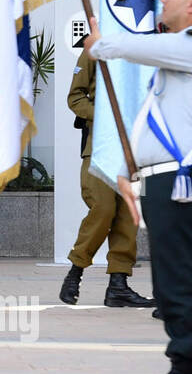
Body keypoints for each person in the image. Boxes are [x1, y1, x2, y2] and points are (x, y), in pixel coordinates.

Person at [82, 0, 192, 374]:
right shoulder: (182, 50)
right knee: (169, 284)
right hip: (164, 184)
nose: (160, 0)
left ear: (191, 4)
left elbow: (135, 47)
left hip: (180, 186)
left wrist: (102, 43)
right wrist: (130, 168)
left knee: (180, 285)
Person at [60, 46, 151, 307]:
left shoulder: (144, 46)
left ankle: (118, 285)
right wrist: (105, 117)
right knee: (103, 209)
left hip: (135, 147)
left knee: (127, 217)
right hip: (100, 147)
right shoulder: (94, 49)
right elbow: (75, 98)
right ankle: (75, 271)